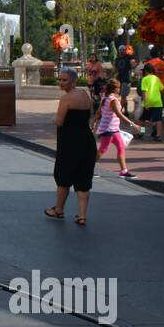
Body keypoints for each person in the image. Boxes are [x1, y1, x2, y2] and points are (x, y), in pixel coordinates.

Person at [46, 68, 97, 225]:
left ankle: (59, 209)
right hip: (87, 141)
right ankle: (82, 216)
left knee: (63, 177)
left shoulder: (66, 99)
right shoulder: (84, 94)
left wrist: (53, 119)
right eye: (60, 79)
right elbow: (90, 114)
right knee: (83, 178)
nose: (60, 83)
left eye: (64, 80)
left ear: (73, 80)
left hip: (70, 143)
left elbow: (60, 121)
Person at [94, 78, 143, 178]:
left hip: (113, 129)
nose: (119, 89)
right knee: (103, 149)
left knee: (121, 147)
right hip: (109, 129)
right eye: (118, 88)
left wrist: (93, 122)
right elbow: (119, 114)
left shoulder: (105, 97)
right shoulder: (112, 100)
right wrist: (132, 124)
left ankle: (124, 171)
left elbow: (99, 112)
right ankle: (88, 168)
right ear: (115, 88)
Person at [139, 64, 164, 141]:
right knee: (158, 120)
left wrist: (145, 102)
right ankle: (158, 135)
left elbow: (144, 92)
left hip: (148, 102)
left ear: (145, 71)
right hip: (157, 102)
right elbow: (162, 88)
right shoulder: (156, 78)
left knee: (143, 120)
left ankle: (141, 133)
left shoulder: (144, 79)